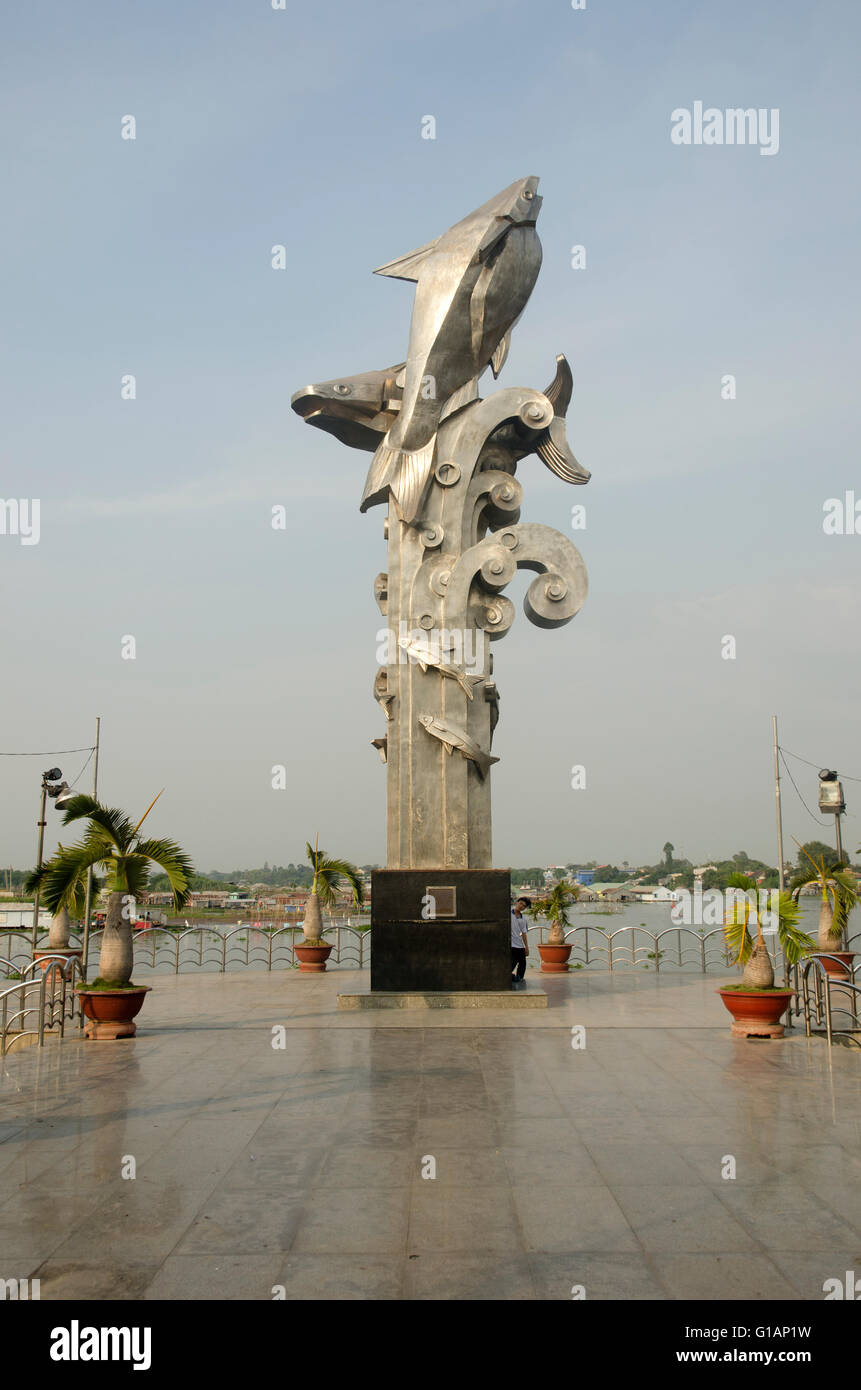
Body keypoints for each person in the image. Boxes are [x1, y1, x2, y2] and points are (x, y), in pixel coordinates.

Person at [510, 896, 531, 987]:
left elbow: (524, 933)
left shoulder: (523, 919)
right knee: (513, 962)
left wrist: (526, 947)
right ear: (516, 903)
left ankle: (519, 977)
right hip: (511, 944)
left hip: (519, 944)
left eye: (524, 906)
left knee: (523, 963)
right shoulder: (508, 914)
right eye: (521, 903)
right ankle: (510, 976)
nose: (521, 906)